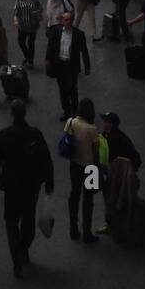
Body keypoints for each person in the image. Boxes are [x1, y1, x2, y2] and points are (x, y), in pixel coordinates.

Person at [0, 98, 54, 278]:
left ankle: (16, 260)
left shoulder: (4, 134)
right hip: (30, 186)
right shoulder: (35, 134)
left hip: (11, 186)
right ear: (24, 113)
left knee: (11, 223)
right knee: (28, 223)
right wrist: (49, 182)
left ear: (12, 113)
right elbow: (46, 159)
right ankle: (23, 248)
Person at [65, 97, 102, 244]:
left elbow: (68, 140)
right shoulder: (92, 129)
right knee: (88, 199)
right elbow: (96, 152)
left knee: (74, 194)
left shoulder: (71, 122)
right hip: (90, 167)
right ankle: (87, 232)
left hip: (74, 164)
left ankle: (73, 228)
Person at [98, 110, 141, 236]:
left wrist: (126, 171)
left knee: (115, 201)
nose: (103, 123)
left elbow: (136, 158)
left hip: (118, 177)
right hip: (108, 174)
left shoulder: (120, 139)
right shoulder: (105, 135)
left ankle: (116, 226)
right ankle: (111, 225)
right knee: (108, 200)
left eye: (105, 121)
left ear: (111, 124)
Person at [45, 8, 91, 120]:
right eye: (65, 19)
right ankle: (66, 111)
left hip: (72, 66)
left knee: (72, 89)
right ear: (62, 21)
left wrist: (87, 66)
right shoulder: (56, 31)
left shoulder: (79, 34)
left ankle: (75, 111)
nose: (68, 22)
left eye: (70, 19)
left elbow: (84, 51)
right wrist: (48, 59)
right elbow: (50, 46)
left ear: (72, 20)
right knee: (62, 89)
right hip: (59, 65)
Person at [13, 0, 44, 66]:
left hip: (32, 25)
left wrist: (37, 13)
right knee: (21, 42)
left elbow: (40, 9)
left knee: (31, 43)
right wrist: (16, 20)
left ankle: (30, 61)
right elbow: (16, 11)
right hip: (22, 25)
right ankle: (27, 56)